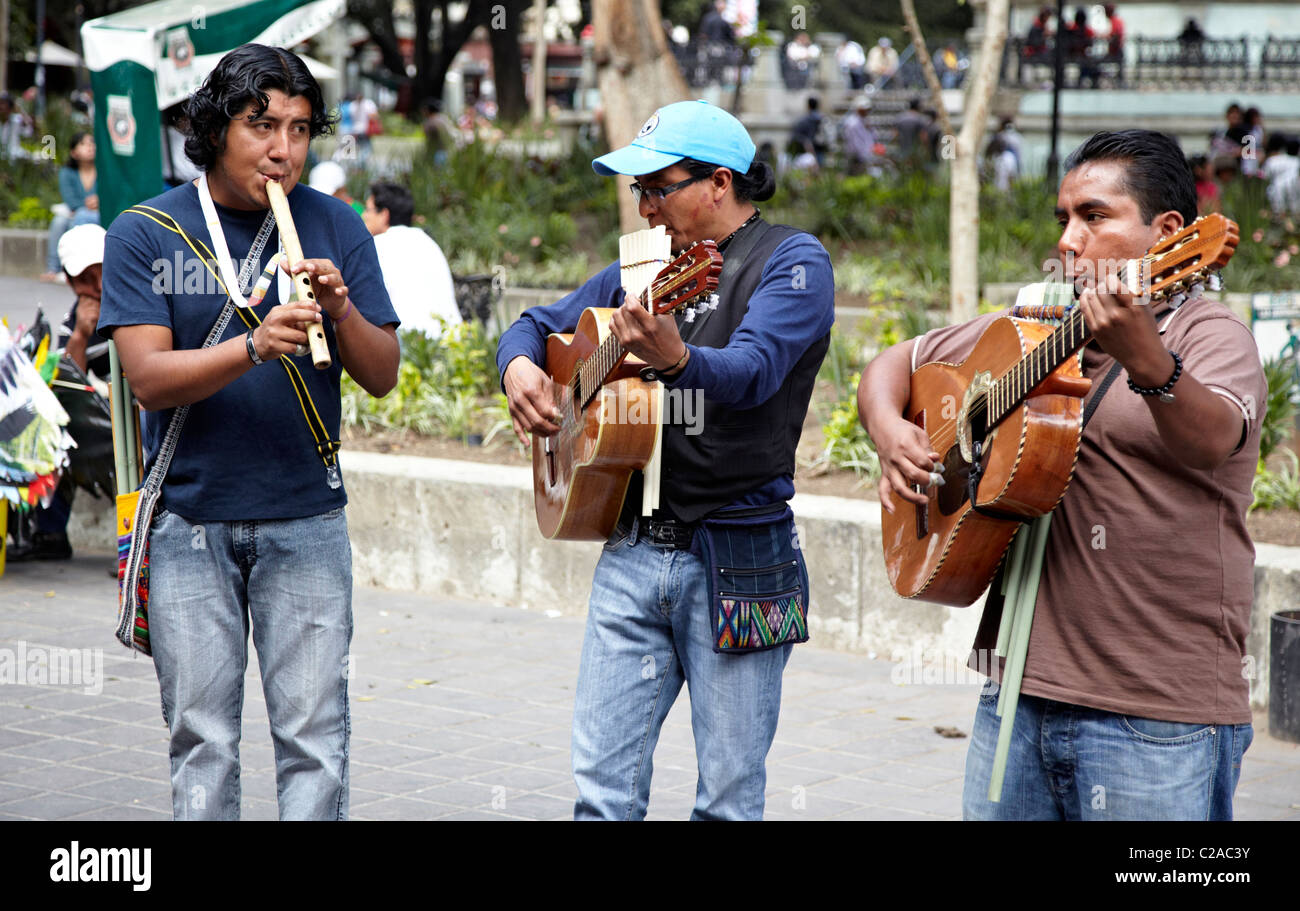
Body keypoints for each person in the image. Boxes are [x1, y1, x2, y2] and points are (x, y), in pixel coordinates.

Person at [857, 130, 1264, 821]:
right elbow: (894, 362)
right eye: (1065, 219)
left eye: (1095, 216)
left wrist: (1149, 362)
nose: (1070, 240)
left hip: (1155, 716)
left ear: (1167, 233)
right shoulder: (1034, 330)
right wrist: (892, 431)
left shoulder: (1210, 334)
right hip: (1014, 694)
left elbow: (1214, 439)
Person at [497, 100, 834, 820]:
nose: (646, 206)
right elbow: (533, 325)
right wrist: (518, 369)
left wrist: (678, 359)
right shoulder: (640, 264)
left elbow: (754, 372)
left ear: (719, 182)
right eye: (637, 191)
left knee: (728, 801)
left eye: (659, 187)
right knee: (601, 795)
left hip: (742, 555)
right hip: (629, 546)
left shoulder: (793, 261)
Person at [97, 43, 400, 820]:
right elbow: (146, 377)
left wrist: (340, 310)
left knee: (316, 739)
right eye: (261, 125)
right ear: (214, 126)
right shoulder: (147, 231)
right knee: (203, 742)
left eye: (300, 130)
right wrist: (255, 345)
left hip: (307, 519)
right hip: (190, 523)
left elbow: (383, 370)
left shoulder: (333, 223)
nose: (283, 150)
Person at [6, 224, 112, 563]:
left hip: (154, 411)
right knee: (52, 425)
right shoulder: (78, 316)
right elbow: (69, 391)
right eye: (85, 278)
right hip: (120, 416)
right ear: (69, 281)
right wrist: (81, 335)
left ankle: (141, 541)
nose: (96, 285)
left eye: (102, 272)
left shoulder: (137, 294)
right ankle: (50, 533)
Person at [362, 181, 461, 339]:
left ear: (384, 215)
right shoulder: (427, 241)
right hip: (452, 337)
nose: (364, 215)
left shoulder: (378, 245)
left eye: (368, 210)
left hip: (412, 343)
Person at [42, 131, 101, 282]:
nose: (89, 147)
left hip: (96, 214)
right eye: (83, 144)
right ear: (74, 152)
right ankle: (54, 268)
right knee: (59, 221)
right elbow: (70, 200)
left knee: (81, 217)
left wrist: (99, 201)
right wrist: (88, 204)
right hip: (75, 213)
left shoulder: (103, 171)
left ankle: (73, 269)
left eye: (91, 143)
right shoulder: (67, 172)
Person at [841, 95, 878, 176]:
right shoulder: (852, 123)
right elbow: (854, 142)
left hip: (864, 156)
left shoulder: (865, 121)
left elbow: (873, 137)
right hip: (856, 157)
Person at [0, 91, 33, 159]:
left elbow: (28, 133)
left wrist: (19, 110)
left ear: (10, 107)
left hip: (14, 156)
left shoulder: (17, 120)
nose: (1, 106)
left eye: (3, 103)